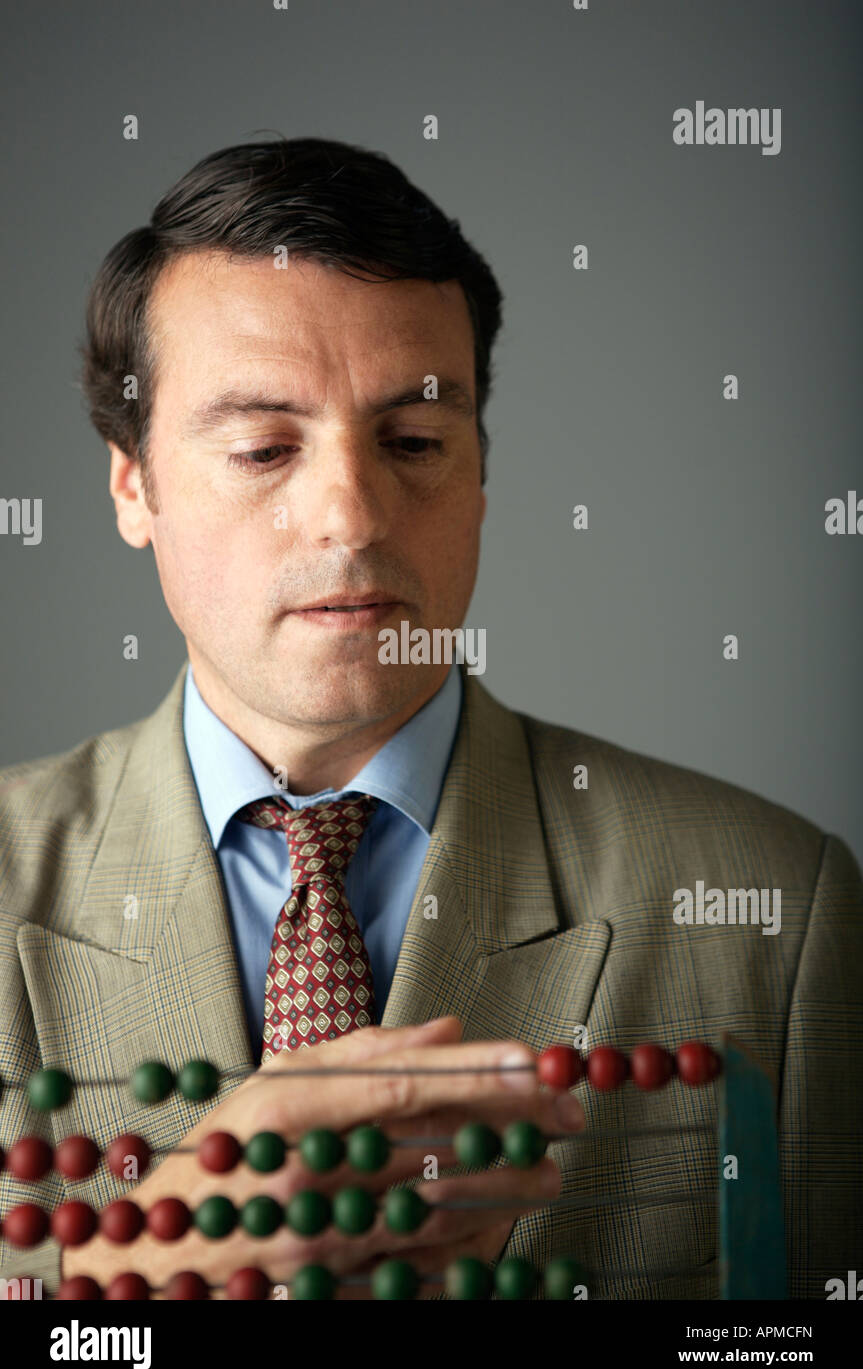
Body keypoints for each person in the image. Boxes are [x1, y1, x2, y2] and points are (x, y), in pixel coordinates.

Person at [0, 138, 860, 1300]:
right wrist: (131, 1294)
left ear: (481, 474)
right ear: (131, 486)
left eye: (413, 442)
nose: (352, 514)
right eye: (262, 447)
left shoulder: (778, 914)